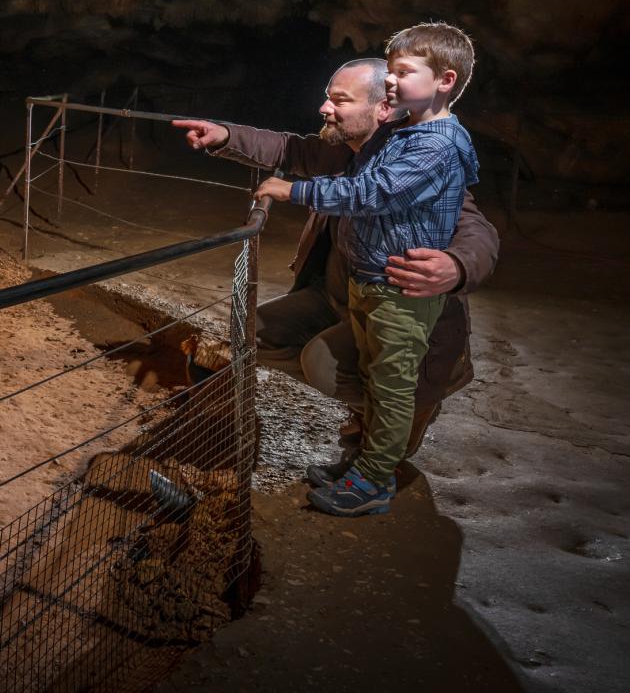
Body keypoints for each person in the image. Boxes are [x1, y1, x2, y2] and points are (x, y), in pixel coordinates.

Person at [172, 50, 498, 506]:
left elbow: (474, 226)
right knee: (253, 333)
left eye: (339, 100)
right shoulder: (348, 150)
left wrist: (459, 265)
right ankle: (372, 413)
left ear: (383, 107)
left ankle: (390, 423)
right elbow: (291, 148)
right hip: (340, 295)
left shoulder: (417, 159)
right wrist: (225, 134)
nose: (325, 109)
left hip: (398, 307)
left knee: (330, 367)